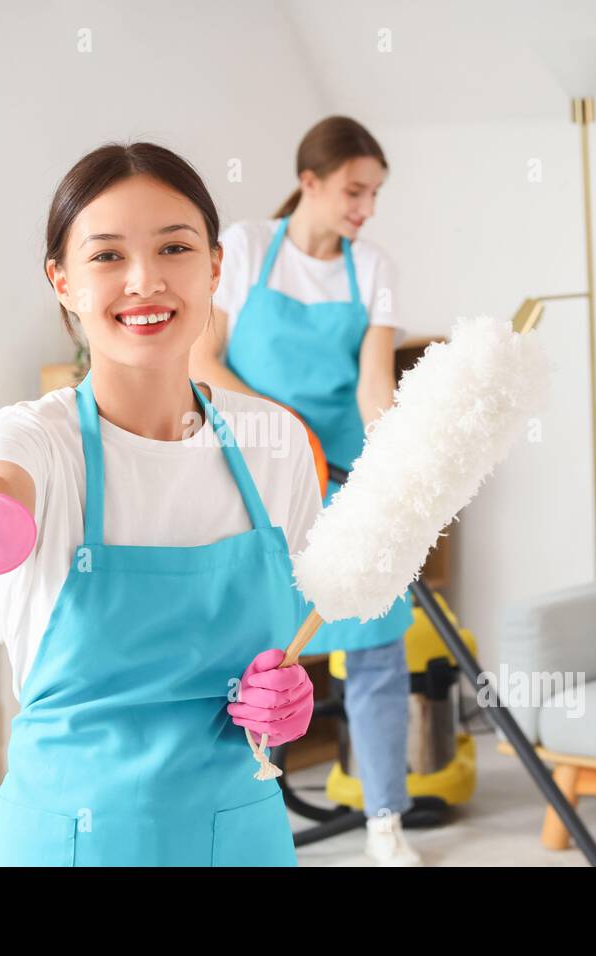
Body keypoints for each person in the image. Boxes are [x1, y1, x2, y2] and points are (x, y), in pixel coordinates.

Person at [0, 142, 323, 866]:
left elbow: (305, 610)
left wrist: (290, 690)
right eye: (106, 257)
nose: (145, 281)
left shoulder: (274, 441)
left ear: (216, 266)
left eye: (175, 247)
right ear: (61, 281)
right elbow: (6, 513)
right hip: (70, 844)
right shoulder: (36, 438)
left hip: (239, 838)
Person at [189, 116, 423, 866]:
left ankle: (385, 821)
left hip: (349, 484)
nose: (367, 207)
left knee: (379, 652)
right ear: (310, 182)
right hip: (258, 480)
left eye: (376, 193)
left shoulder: (373, 266)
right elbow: (203, 361)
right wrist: (286, 431)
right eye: (355, 190)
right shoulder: (251, 250)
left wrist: (402, 467)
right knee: (255, 655)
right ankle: (245, 816)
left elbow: (374, 386)